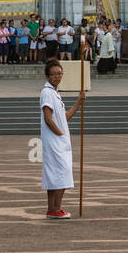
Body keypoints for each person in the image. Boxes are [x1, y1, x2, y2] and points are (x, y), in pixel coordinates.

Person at [39, 58, 86, 219]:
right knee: (62, 174)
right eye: (53, 74)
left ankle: (52, 208)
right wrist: (59, 134)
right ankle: (56, 208)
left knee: (54, 175)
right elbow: (48, 117)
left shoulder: (55, 93)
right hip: (54, 141)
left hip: (58, 140)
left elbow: (63, 117)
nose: (57, 77)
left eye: (59, 74)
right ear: (47, 76)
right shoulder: (47, 93)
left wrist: (78, 103)